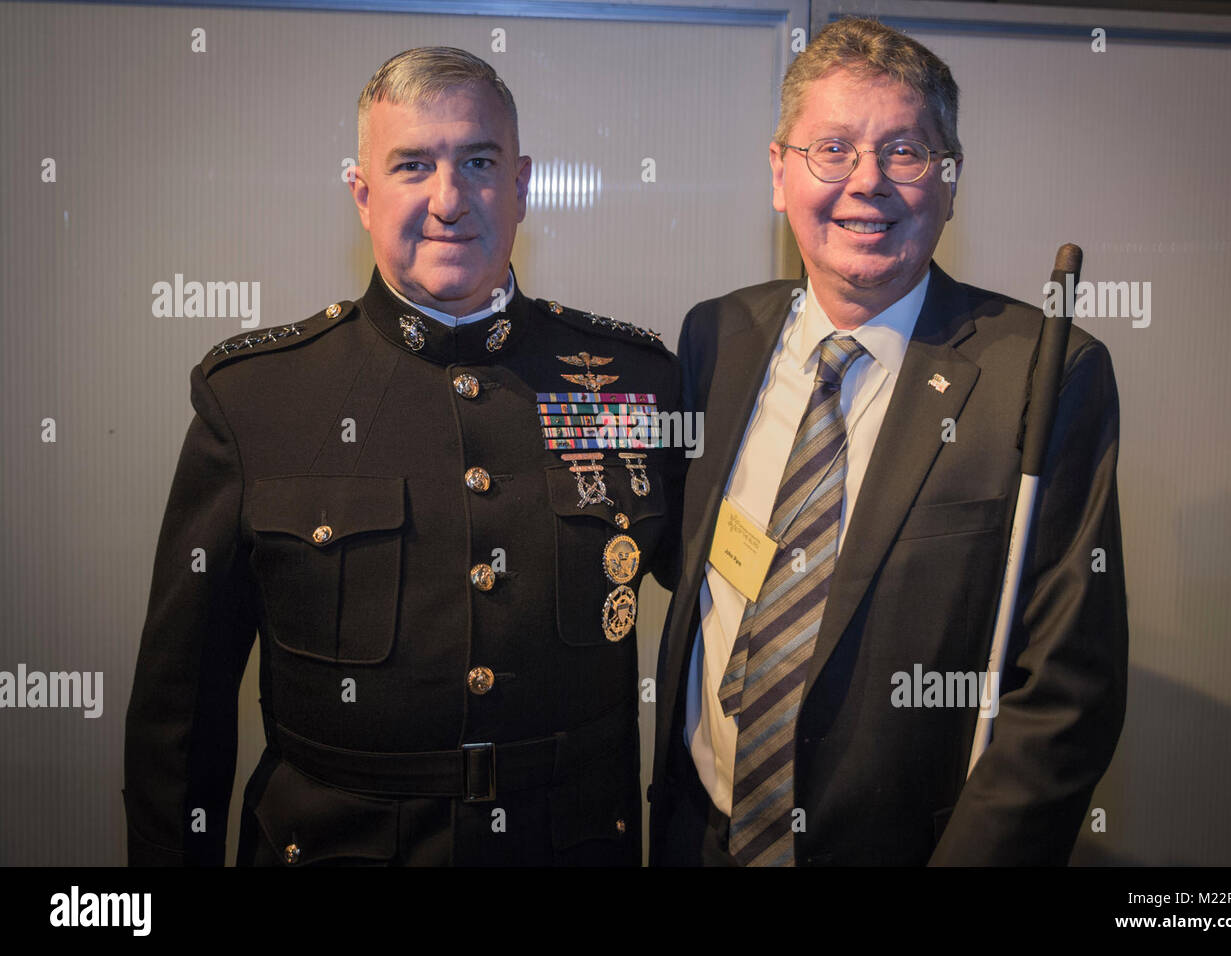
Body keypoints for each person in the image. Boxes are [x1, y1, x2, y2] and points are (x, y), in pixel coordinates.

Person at [124, 47, 683, 866]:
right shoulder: (258, 399)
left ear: (522, 184)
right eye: (413, 165)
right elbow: (182, 707)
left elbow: (723, 614)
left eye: (478, 162)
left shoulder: (631, 383)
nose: (449, 200)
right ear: (362, 193)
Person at [648, 18, 1127, 866]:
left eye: (904, 152)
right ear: (778, 173)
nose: (866, 183)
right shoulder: (716, 337)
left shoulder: (1044, 375)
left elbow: (1066, 696)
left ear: (950, 180)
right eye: (831, 149)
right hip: (699, 838)